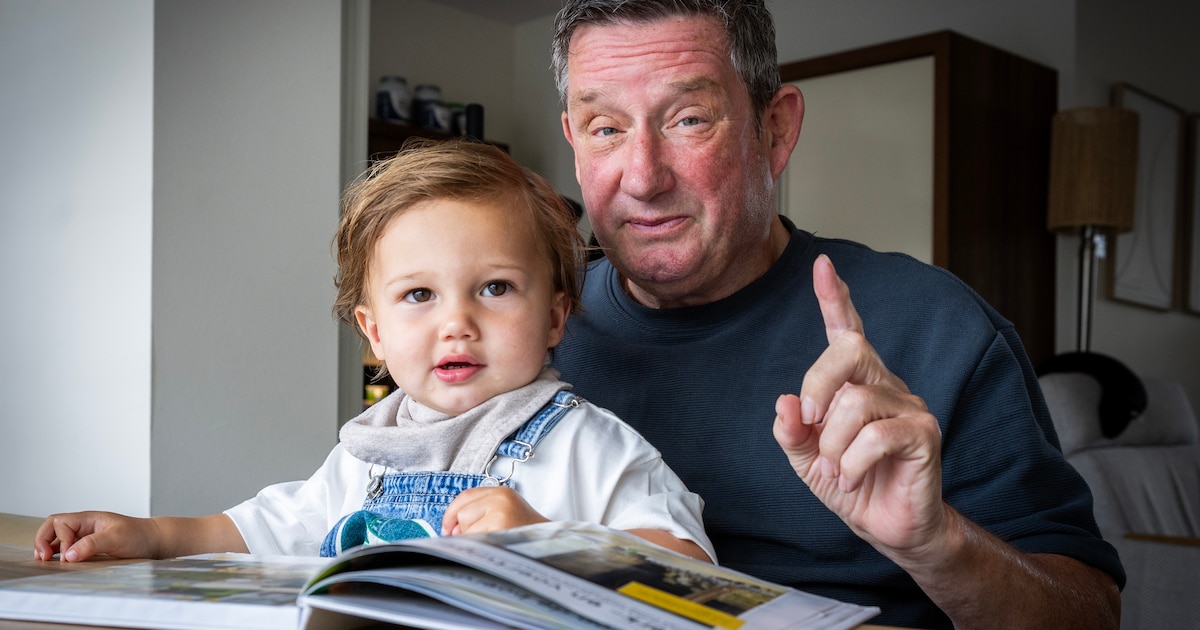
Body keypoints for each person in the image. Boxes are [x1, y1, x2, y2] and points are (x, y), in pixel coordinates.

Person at [548, 1, 1123, 628]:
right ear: (574, 141)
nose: (642, 177)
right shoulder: (527, 327)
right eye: (605, 128)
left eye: (688, 119)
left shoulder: (936, 327)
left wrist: (937, 544)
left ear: (775, 129)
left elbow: (1090, 615)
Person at [34, 140, 713, 565]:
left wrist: (548, 539)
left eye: (495, 288)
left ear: (556, 317)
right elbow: (267, 528)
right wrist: (150, 536)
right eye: (419, 295)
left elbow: (692, 569)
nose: (457, 322)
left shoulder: (591, 448)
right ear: (374, 333)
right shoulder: (367, 453)